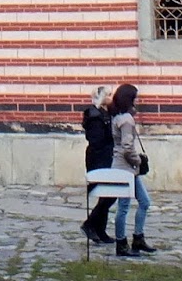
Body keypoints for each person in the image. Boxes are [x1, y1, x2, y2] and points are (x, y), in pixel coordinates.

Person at [110, 82, 157, 256]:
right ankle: (121, 244)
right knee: (123, 207)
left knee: (144, 202)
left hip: (124, 167)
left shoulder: (118, 116)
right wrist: (138, 161)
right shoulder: (126, 120)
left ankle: (138, 238)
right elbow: (127, 147)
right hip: (125, 168)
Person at [80, 85, 117, 245]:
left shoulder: (104, 113)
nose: (111, 97)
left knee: (108, 194)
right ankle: (90, 225)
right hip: (99, 159)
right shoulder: (95, 116)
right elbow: (96, 141)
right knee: (108, 194)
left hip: (106, 157)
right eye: (109, 95)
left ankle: (99, 229)